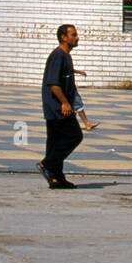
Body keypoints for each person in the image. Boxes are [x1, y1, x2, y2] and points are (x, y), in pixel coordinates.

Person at [38, 24, 83, 189]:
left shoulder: (65, 56)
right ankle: (47, 164)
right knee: (75, 136)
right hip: (57, 107)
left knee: (55, 142)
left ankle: (56, 178)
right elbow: (53, 83)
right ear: (64, 37)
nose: (77, 37)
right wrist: (64, 102)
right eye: (73, 35)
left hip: (58, 106)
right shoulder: (58, 55)